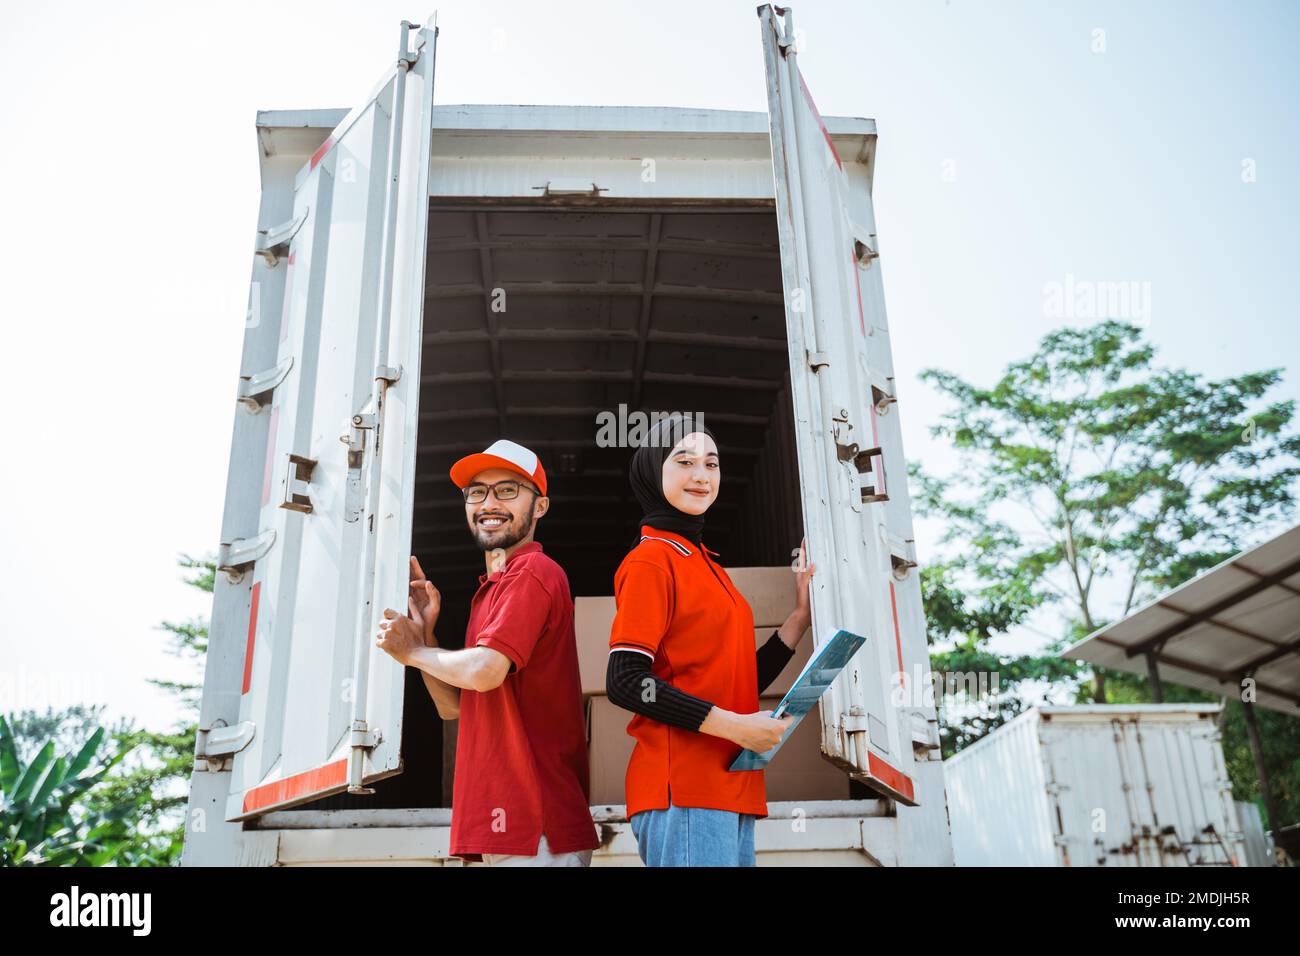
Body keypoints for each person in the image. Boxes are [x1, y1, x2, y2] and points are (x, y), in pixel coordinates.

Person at [376, 438, 600, 866]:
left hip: (534, 823)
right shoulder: (491, 592)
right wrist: (426, 641)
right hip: (500, 828)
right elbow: (453, 707)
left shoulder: (533, 572)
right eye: (477, 492)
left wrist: (410, 653)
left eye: (508, 490)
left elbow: (485, 671)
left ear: (540, 507)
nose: (489, 503)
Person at [605, 413, 815, 866]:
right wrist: (738, 727)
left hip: (731, 788)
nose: (701, 475)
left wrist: (799, 618)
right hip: (682, 788)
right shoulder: (652, 561)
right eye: (684, 461)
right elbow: (625, 681)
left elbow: (732, 680)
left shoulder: (707, 564)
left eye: (712, 464)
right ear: (652, 471)